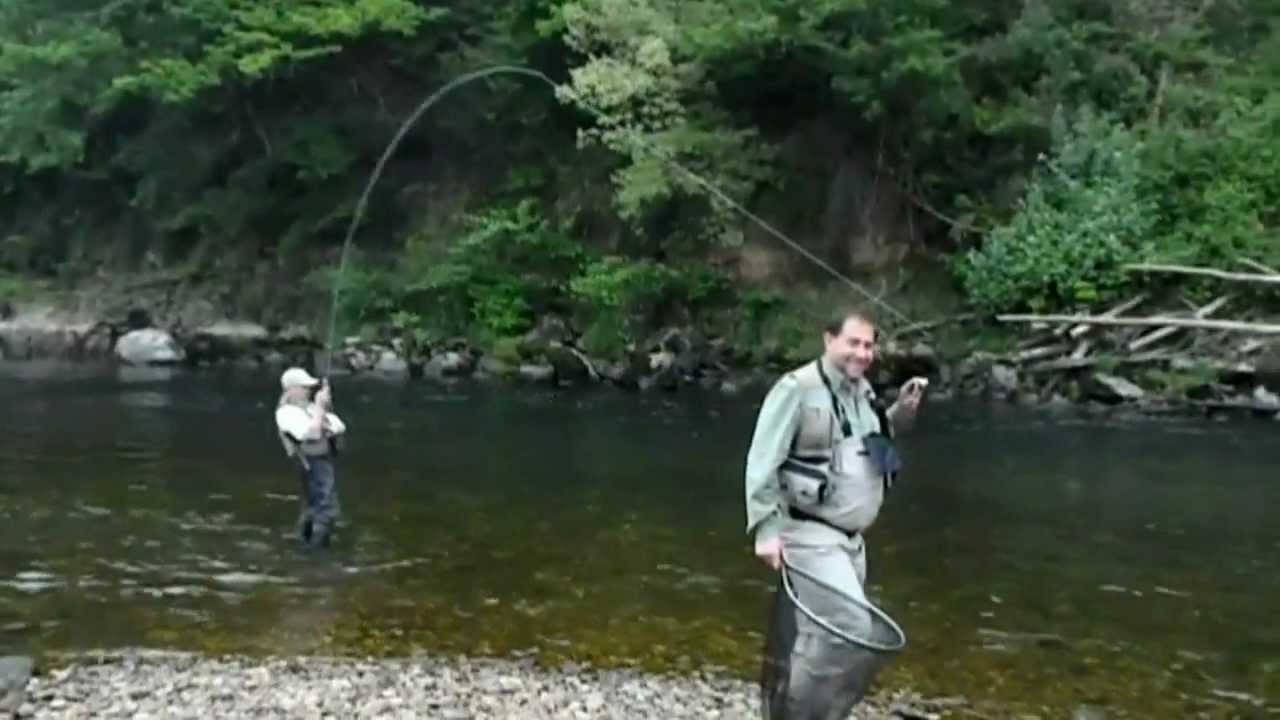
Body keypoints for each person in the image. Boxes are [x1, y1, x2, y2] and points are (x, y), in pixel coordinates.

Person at [744, 309, 927, 717]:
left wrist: (901, 412)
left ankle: (799, 713)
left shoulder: (861, 392)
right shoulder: (797, 389)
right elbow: (762, 460)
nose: (862, 353)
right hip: (808, 534)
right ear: (829, 340)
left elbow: (872, 444)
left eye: (868, 345)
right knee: (852, 629)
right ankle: (801, 713)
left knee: (818, 637)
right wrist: (765, 530)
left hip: (850, 542)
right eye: (853, 343)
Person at [275, 367, 347, 548]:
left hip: (323, 463)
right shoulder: (286, 413)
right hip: (308, 464)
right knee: (325, 509)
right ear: (291, 389)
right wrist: (320, 410)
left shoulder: (312, 408)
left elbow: (339, 427)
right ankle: (316, 552)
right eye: (304, 386)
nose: (309, 390)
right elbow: (312, 433)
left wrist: (323, 408)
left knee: (313, 508)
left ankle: (305, 548)